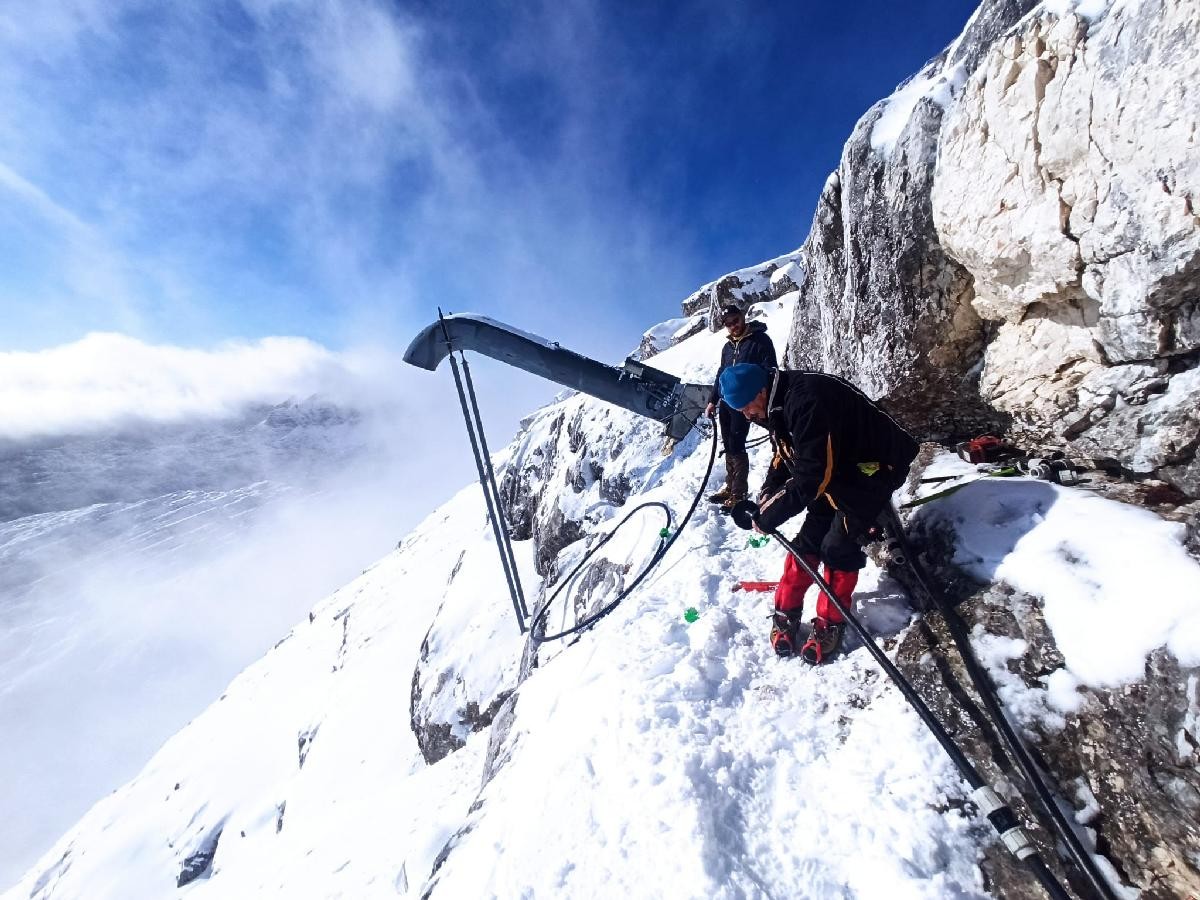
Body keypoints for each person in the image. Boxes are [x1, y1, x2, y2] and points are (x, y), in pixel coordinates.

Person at [718, 362, 919, 664]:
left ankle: (830, 623)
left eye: (747, 407)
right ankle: (786, 610)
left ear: (761, 390)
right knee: (807, 543)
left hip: (874, 466)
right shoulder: (775, 403)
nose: (747, 415)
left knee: (837, 547)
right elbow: (785, 452)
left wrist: (769, 516)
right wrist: (768, 492)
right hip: (839, 467)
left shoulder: (806, 398)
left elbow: (813, 476)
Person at [704, 304, 777, 513]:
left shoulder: (760, 340)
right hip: (727, 402)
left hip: (745, 402)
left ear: (742, 317)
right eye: (728, 324)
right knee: (728, 443)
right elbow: (721, 374)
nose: (733, 326)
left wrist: (757, 395)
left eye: (735, 320)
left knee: (736, 443)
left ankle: (739, 494)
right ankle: (730, 486)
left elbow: (770, 368)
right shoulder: (728, 347)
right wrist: (712, 400)